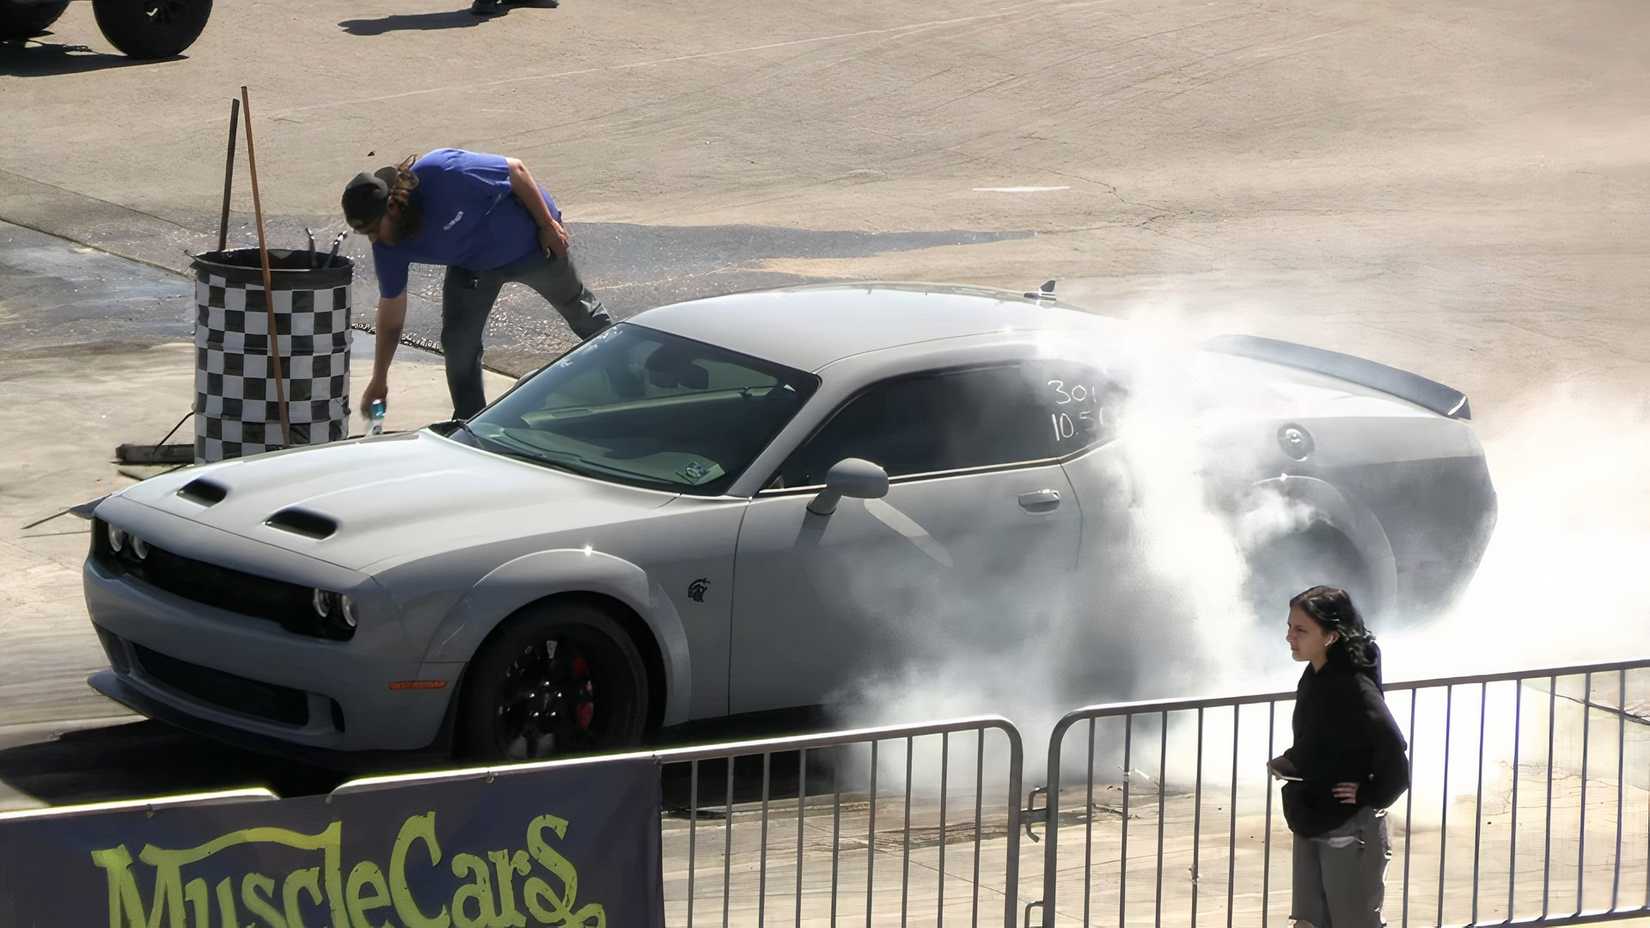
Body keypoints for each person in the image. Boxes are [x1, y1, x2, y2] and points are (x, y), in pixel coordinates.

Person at [341, 148, 609, 421]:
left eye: (373, 230)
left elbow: (515, 171)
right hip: (473, 266)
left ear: (392, 207)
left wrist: (547, 225)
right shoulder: (388, 246)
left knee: (579, 310)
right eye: (364, 233)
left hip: (532, 243)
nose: (372, 239)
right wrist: (379, 379)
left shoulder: (443, 172)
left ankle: (629, 370)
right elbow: (391, 316)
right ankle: (469, 420)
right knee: (459, 342)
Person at [1268, 585, 1409, 928]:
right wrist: (1294, 761)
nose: (1289, 637)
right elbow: (1327, 737)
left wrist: (1370, 794)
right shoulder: (1315, 674)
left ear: (1330, 637)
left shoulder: (1353, 686)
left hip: (1349, 827)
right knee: (1308, 923)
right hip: (1312, 816)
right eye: (1289, 627)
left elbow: (1395, 755)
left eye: (1301, 630)